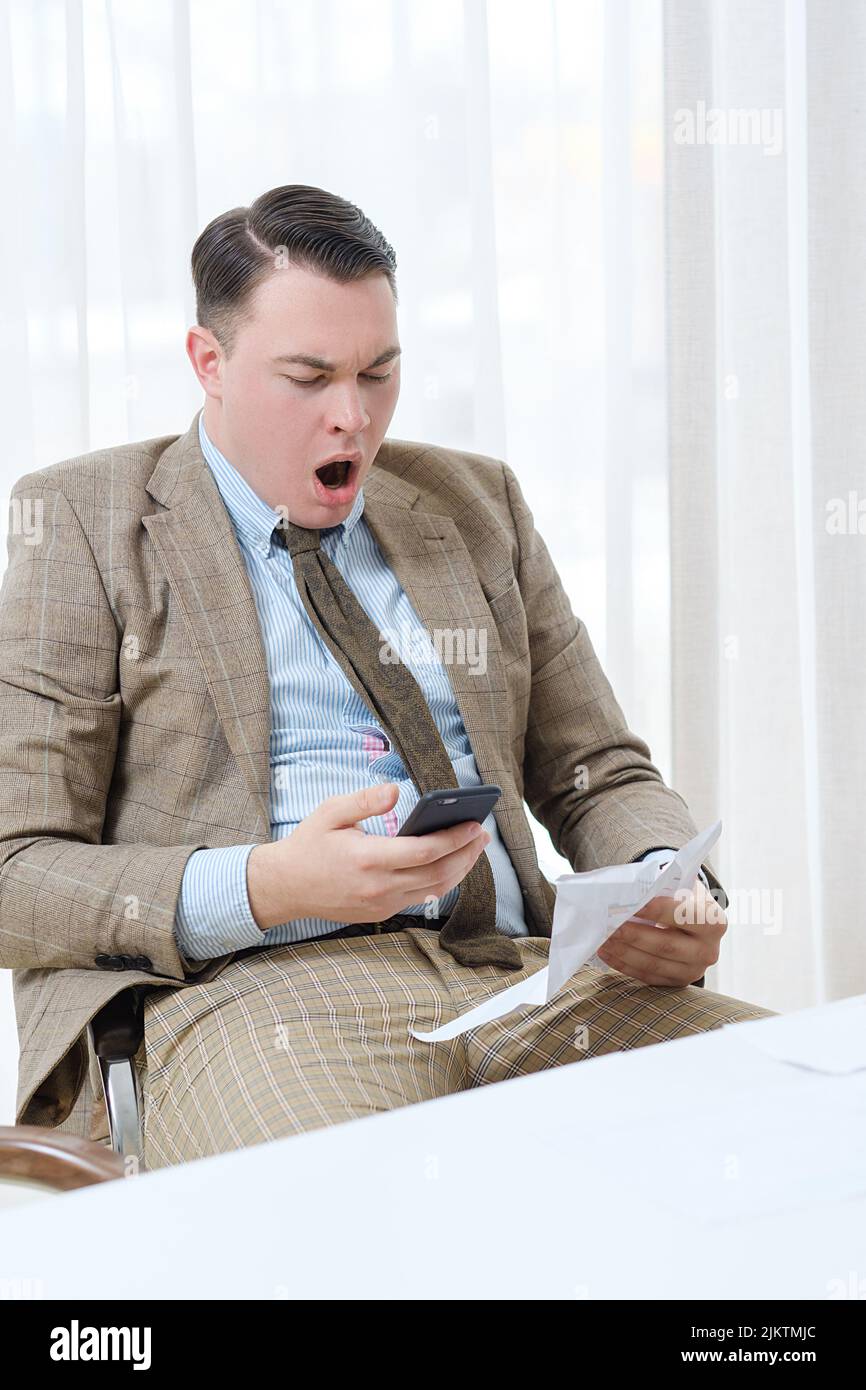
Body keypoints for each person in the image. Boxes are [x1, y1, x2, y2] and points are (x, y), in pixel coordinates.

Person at [0, 184, 774, 1164]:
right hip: (251, 997)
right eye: (308, 376)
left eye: (378, 372)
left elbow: (598, 769)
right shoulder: (83, 521)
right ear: (210, 363)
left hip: (520, 978)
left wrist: (666, 882)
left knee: (805, 1123)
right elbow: (14, 873)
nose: (351, 419)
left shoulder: (473, 501)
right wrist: (266, 883)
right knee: (359, 1228)